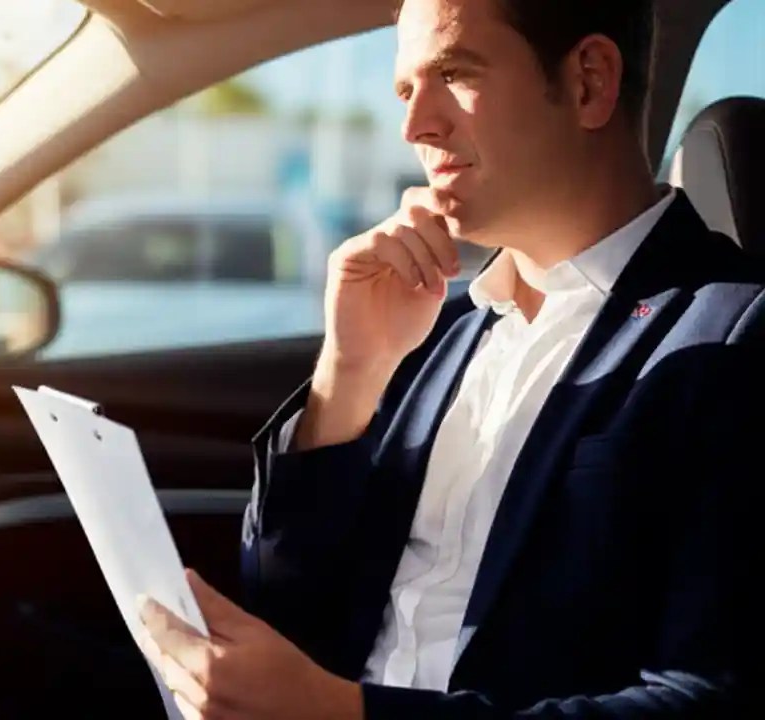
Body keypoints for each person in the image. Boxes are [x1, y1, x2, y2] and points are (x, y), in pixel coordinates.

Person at [136, 0, 765, 717]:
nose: (414, 126)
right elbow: (288, 605)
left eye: (454, 72)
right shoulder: (439, 329)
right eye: (407, 91)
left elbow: (709, 697)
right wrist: (348, 373)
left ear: (589, 81)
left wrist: (345, 714)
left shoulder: (734, 335)